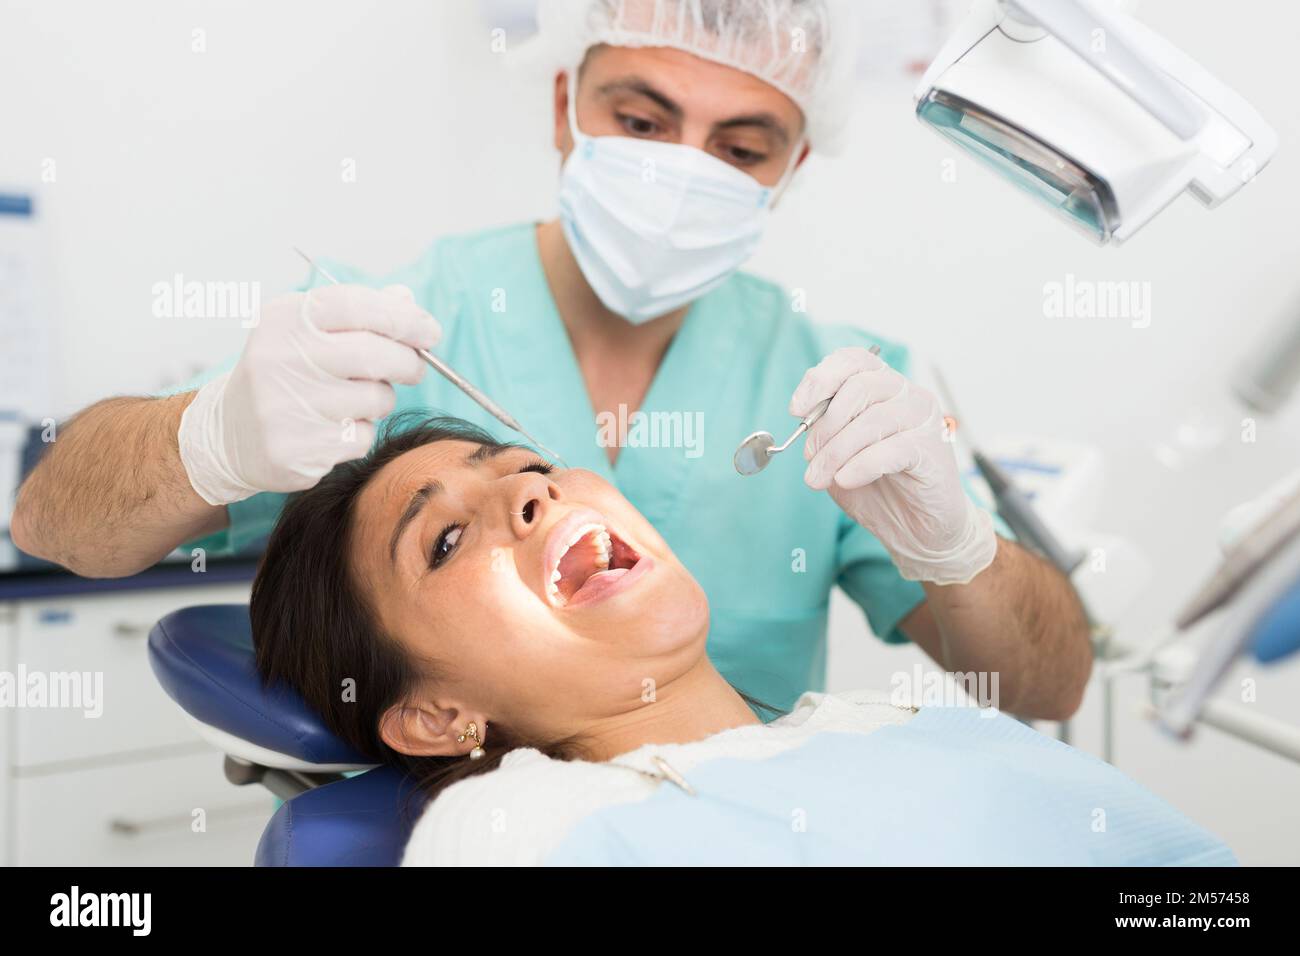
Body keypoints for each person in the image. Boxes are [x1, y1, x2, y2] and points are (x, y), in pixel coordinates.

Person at [11, 0, 1091, 714]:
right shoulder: (398, 328)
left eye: (741, 145)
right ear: (565, 106)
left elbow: (1043, 688)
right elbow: (52, 519)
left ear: (792, 166)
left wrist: (959, 551)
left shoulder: (834, 385)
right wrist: (213, 439)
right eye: (642, 115)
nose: (684, 169)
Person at [250, 414, 1232, 866]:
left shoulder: (904, 721)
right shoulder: (518, 831)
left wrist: (961, 543)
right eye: (445, 538)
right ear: (435, 714)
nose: (529, 490)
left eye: (529, 464)